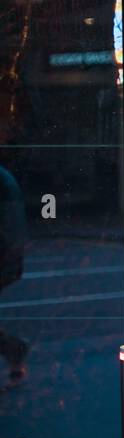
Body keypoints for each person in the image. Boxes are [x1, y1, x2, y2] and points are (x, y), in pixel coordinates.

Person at [0, 164, 29, 389]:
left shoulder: (3, 181)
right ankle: (13, 348)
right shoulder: (5, 179)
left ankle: (13, 348)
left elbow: (10, 229)